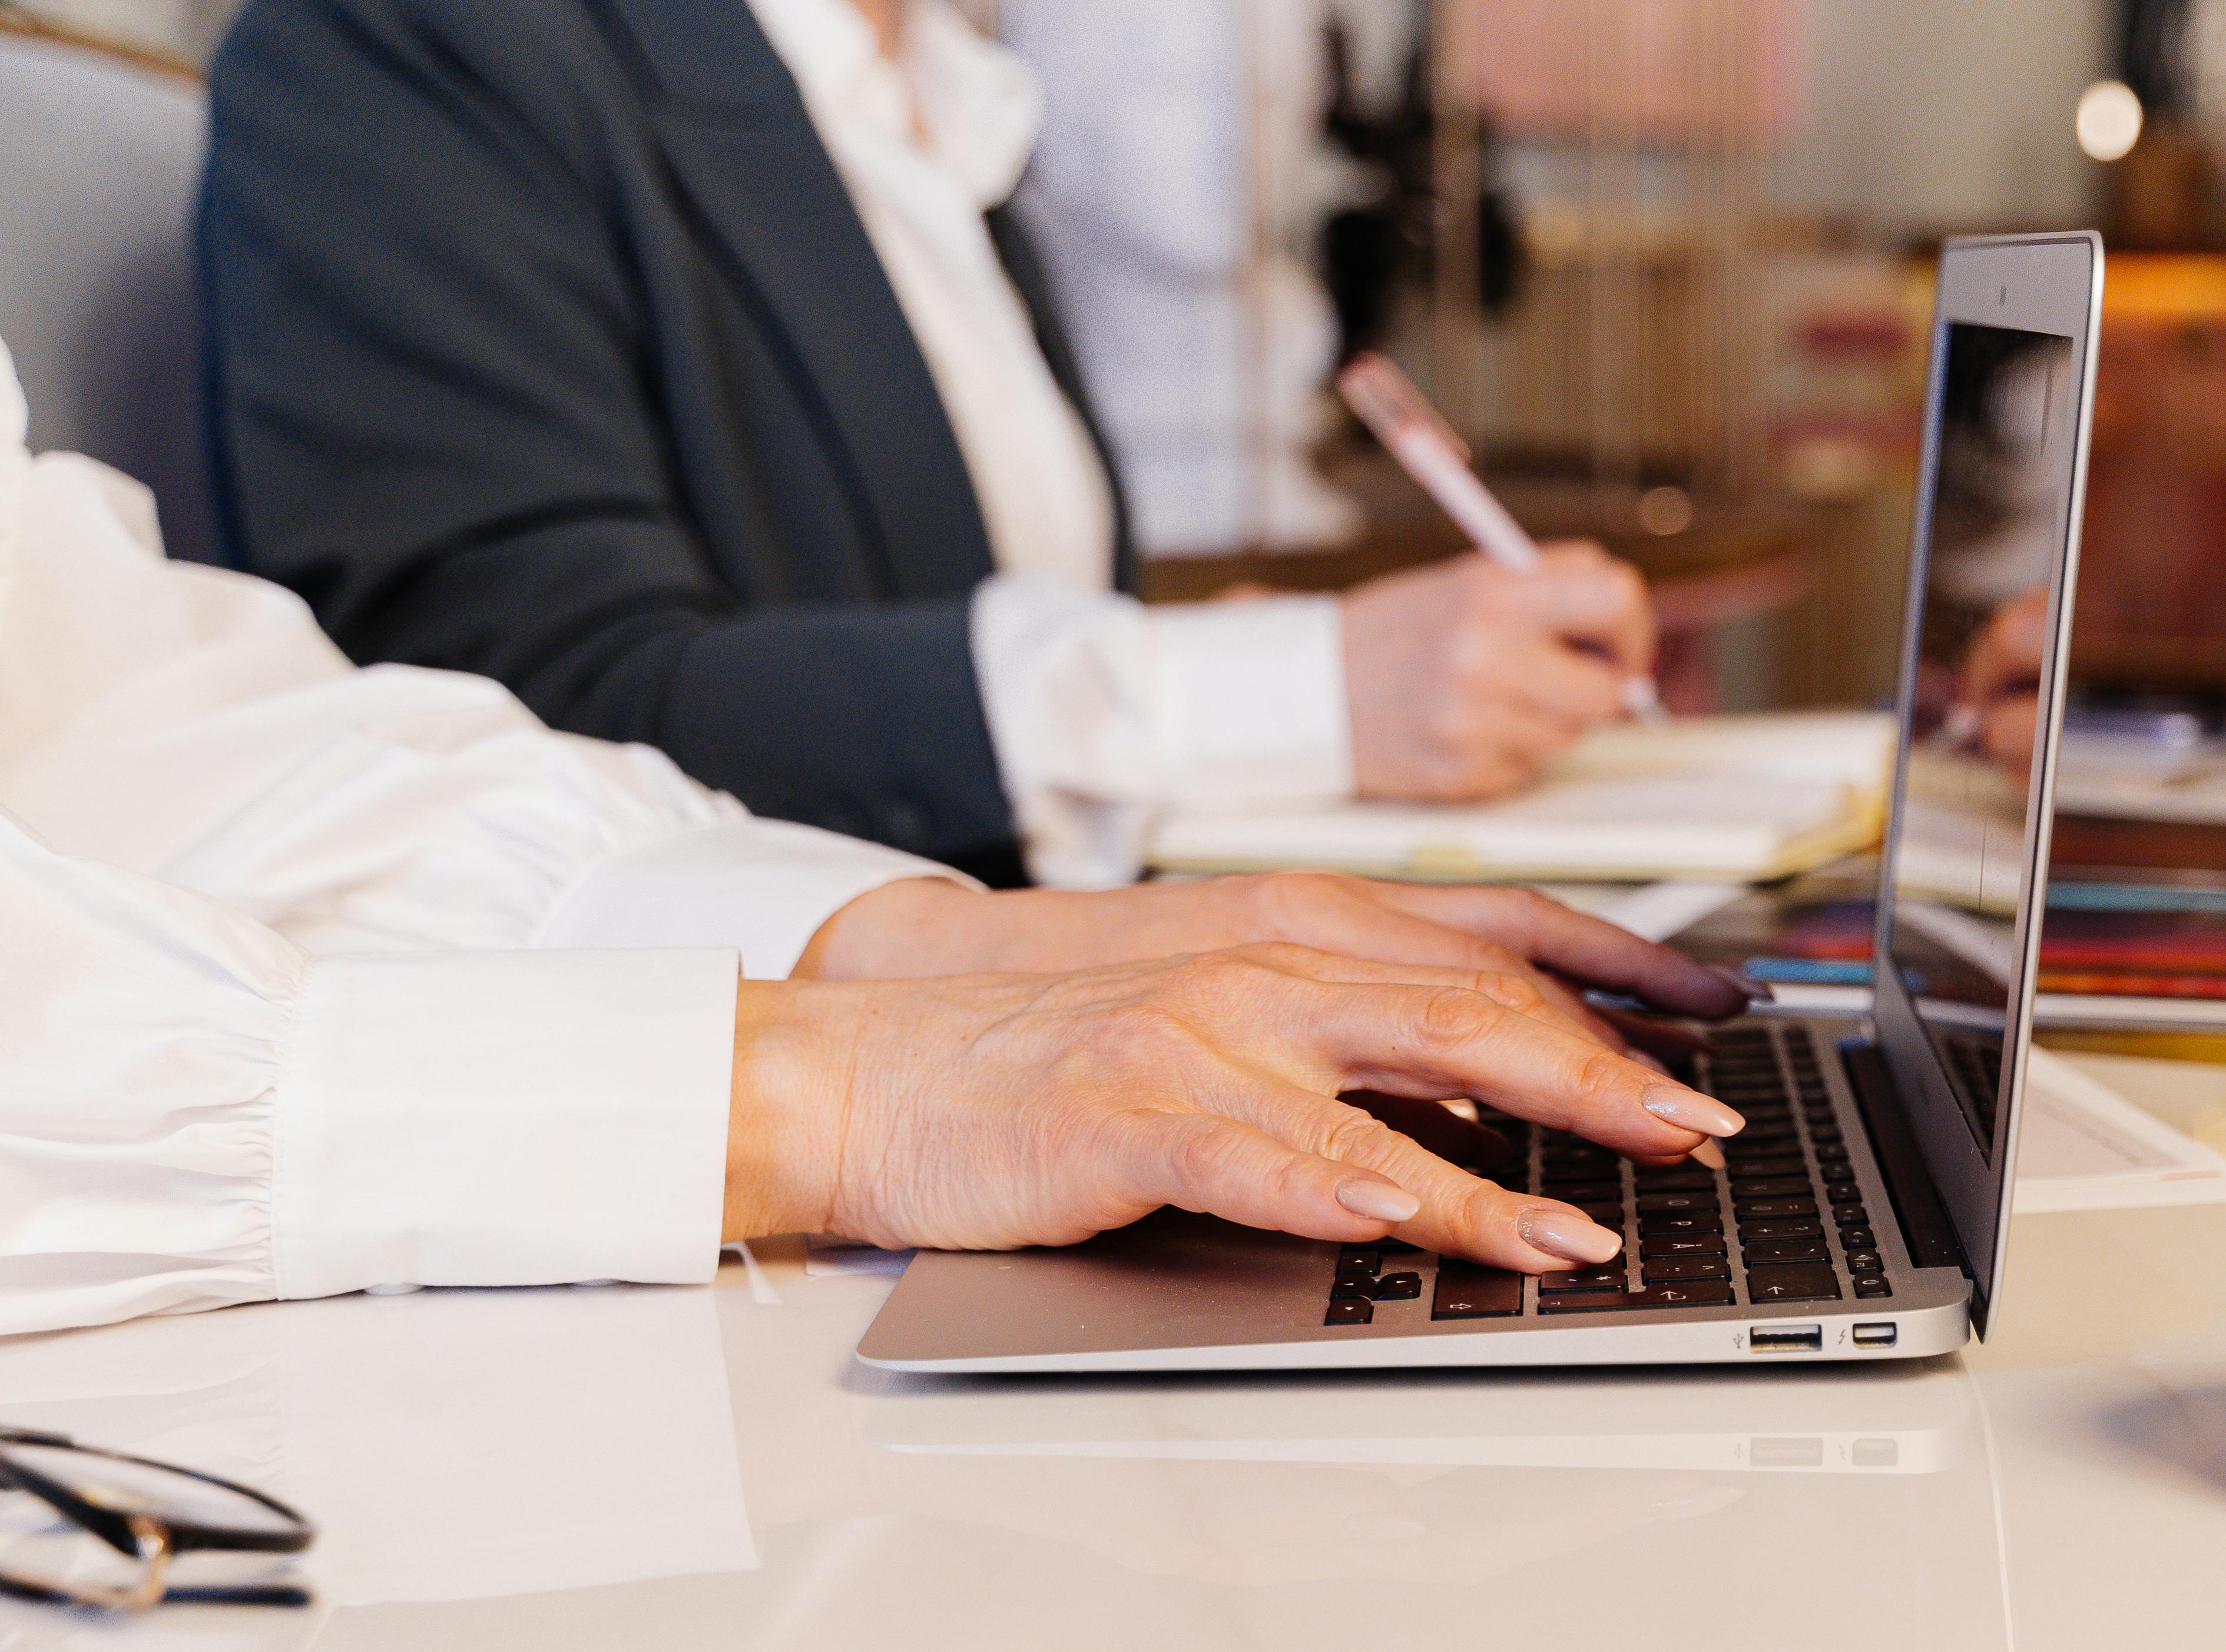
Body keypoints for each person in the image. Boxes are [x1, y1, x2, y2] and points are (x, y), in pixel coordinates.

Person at [0, 341, 1748, 1339]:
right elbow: (569, 652)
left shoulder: (974, 129)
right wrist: (821, 1089)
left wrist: (928, 952)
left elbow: (141, 729)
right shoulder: (421, 26)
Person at [198, 0, 1648, 891]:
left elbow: (941, 635)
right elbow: (533, 705)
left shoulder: (941, 118)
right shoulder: (421, 36)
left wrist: (1203, 669)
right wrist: (1262, 692)